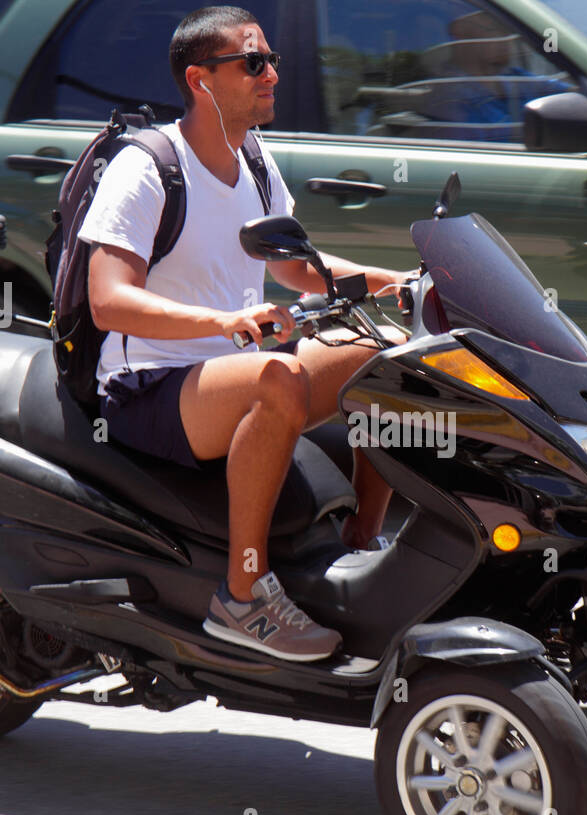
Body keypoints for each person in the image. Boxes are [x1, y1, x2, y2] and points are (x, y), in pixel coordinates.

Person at [80, 6, 411, 663]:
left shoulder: (254, 161)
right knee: (277, 376)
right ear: (201, 81)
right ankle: (243, 595)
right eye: (254, 63)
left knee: (388, 356)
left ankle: (359, 544)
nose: (272, 77)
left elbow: (291, 267)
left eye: (272, 62)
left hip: (225, 373)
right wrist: (225, 323)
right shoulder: (147, 167)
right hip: (148, 388)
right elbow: (107, 301)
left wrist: (395, 281)